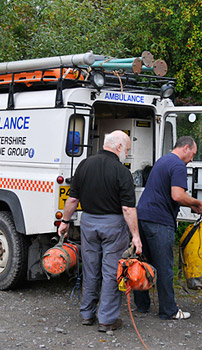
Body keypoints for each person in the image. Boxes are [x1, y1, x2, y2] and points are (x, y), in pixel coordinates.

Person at [58, 130, 143, 333]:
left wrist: (65, 221)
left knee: (90, 269)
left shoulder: (84, 165)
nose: (127, 154)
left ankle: (87, 314)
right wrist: (136, 236)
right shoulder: (122, 172)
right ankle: (106, 319)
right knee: (111, 272)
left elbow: (72, 200)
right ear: (119, 147)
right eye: (128, 149)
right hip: (113, 226)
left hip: (88, 223)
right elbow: (127, 209)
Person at [132, 136, 202, 320]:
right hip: (159, 221)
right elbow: (177, 195)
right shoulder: (178, 166)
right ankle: (168, 310)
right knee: (164, 266)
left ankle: (142, 305)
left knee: (143, 262)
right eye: (193, 154)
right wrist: (198, 203)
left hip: (142, 216)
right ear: (185, 148)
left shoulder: (163, 160)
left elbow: (167, 194)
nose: (192, 159)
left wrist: (190, 204)